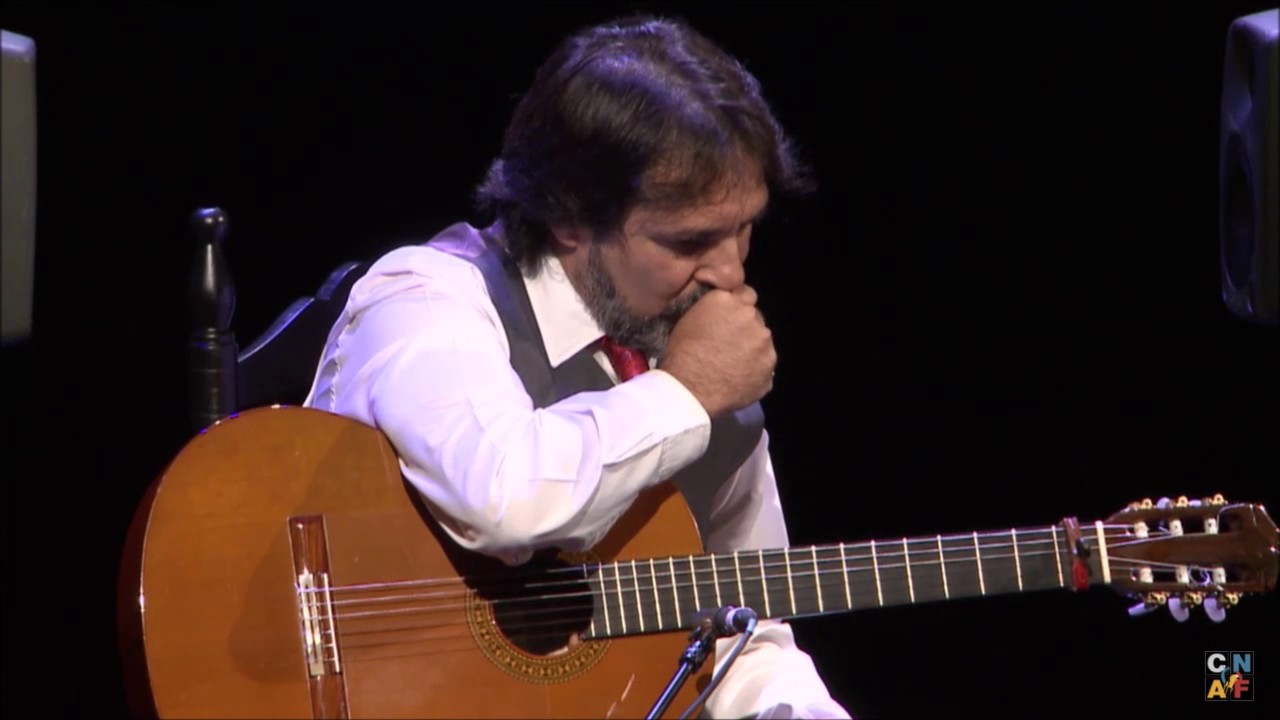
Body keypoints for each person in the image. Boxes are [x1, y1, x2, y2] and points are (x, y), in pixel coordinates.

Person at [304, 13, 851, 719]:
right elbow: (503, 501)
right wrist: (684, 394)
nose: (731, 273)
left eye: (745, 227)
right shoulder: (427, 295)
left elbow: (745, 632)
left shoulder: (704, 369)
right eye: (690, 242)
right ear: (568, 218)